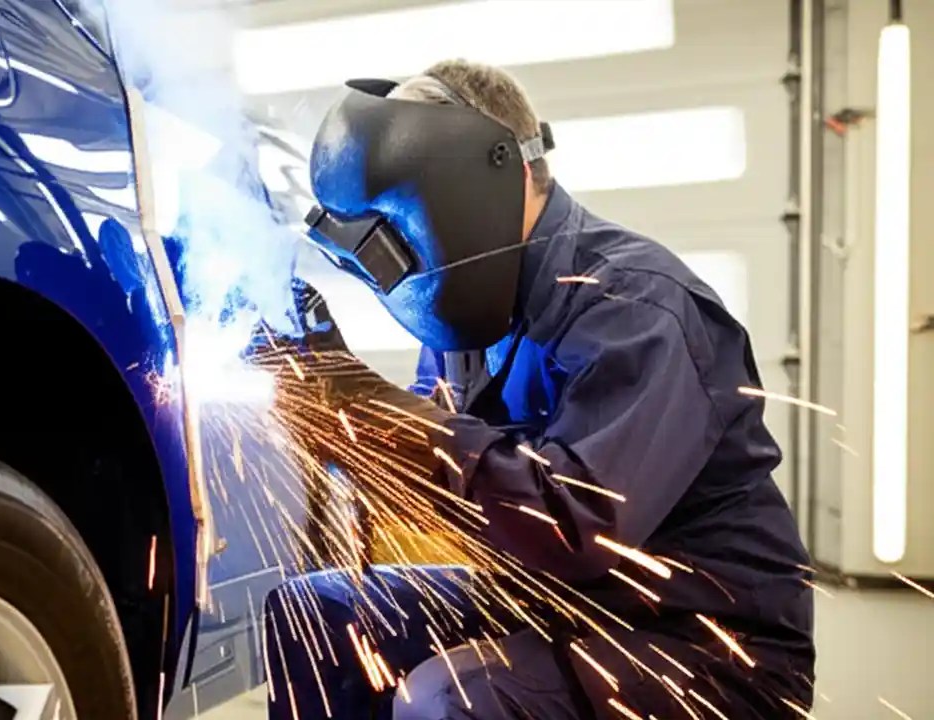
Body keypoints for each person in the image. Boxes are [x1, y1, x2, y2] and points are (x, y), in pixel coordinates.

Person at [265, 59, 815, 719]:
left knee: (444, 701)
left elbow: (576, 526)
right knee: (315, 612)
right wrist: (324, 402)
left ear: (495, 175)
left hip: (699, 646)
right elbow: (434, 475)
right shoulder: (463, 308)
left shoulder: (638, 305)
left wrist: (369, 404)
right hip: (552, 600)